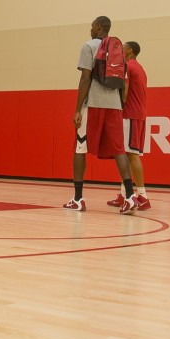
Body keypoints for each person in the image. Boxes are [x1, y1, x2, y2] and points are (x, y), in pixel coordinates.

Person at [63, 16, 137, 214]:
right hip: (114, 105)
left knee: (80, 148)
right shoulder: (119, 49)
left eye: (92, 26)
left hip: (93, 104)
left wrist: (78, 108)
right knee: (119, 150)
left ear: (98, 28)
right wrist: (120, 104)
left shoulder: (88, 46)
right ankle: (130, 196)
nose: (90, 29)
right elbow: (124, 82)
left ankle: (78, 199)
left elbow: (85, 78)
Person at [106, 41, 151, 210]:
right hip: (137, 115)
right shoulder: (140, 68)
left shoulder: (127, 66)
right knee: (125, 155)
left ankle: (142, 196)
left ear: (129, 50)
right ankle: (125, 194)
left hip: (130, 115)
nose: (120, 50)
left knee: (131, 156)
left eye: (122, 47)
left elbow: (124, 89)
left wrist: (119, 109)